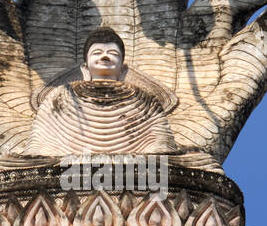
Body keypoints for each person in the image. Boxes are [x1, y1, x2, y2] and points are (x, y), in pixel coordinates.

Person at [20, 28, 177, 157]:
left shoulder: (144, 99)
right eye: (97, 53)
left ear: (123, 69)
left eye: (113, 54)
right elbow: (40, 143)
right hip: (69, 165)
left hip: (133, 167)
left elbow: (160, 143)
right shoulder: (61, 95)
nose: (104, 56)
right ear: (85, 67)